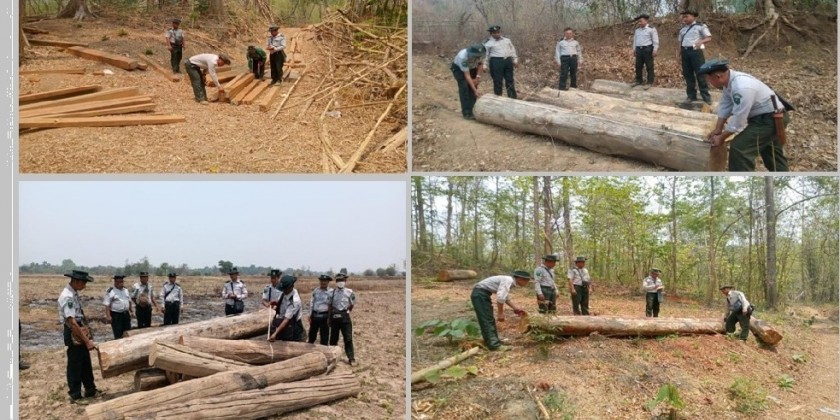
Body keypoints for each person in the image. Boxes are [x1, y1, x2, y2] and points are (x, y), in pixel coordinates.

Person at [699, 59, 792, 172]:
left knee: (740, 148)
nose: (709, 83)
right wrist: (718, 129)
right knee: (771, 152)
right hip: (764, 117)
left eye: (709, 80)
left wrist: (722, 138)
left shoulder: (741, 87)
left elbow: (739, 118)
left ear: (718, 76)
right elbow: (725, 105)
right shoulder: (729, 82)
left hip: (770, 120)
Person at [58, 270, 99, 402]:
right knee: (75, 363)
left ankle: (90, 388)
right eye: (84, 283)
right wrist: (87, 341)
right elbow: (72, 322)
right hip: (73, 331)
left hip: (79, 328)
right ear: (76, 281)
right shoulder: (67, 296)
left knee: (85, 362)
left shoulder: (73, 293)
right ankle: (75, 393)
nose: (85, 286)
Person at [471, 271, 531, 351]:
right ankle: (494, 345)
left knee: (489, 319)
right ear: (520, 279)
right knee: (486, 320)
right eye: (527, 281)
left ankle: (493, 341)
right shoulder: (508, 280)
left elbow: (505, 297)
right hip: (480, 294)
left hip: (482, 294)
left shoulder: (509, 281)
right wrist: (500, 313)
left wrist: (515, 308)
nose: (527, 283)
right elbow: (501, 298)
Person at [676, 10, 712, 104]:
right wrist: (678, 55)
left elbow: (709, 37)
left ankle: (706, 96)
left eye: (686, 16)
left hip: (696, 52)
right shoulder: (682, 29)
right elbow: (680, 43)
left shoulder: (700, 26)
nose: (684, 18)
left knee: (701, 73)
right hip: (685, 52)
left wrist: (701, 42)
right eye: (684, 17)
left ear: (693, 17)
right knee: (688, 75)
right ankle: (691, 96)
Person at [450, 44, 486, 120]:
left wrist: (477, 78)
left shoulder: (481, 53)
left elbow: (480, 65)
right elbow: (467, 75)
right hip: (459, 70)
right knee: (465, 88)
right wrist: (475, 90)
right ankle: (467, 113)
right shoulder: (462, 57)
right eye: (476, 56)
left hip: (472, 68)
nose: (478, 57)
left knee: (473, 88)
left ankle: (473, 110)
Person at [483, 25, 518, 99]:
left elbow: (512, 50)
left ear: (500, 32)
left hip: (508, 61)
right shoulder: (488, 43)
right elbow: (485, 55)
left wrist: (515, 59)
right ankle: (498, 99)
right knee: (497, 81)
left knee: (510, 80)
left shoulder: (507, 40)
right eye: (494, 33)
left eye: (498, 32)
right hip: (496, 62)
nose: (497, 34)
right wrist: (484, 64)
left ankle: (512, 98)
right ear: (491, 34)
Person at [329, 271, 356, 364]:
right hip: (335, 318)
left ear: (345, 281)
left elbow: (352, 304)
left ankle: (351, 358)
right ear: (336, 281)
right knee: (333, 338)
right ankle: (332, 357)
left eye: (342, 280)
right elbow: (330, 306)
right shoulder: (332, 292)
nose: (340, 282)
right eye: (339, 280)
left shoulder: (350, 292)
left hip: (345, 317)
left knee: (348, 338)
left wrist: (346, 312)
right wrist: (329, 318)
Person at [269, 274, 306, 342]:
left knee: (291, 347)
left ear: (290, 287)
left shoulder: (294, 301)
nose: (283, 291)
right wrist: (276, 303)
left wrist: (275, 333)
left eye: (284, 289)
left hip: (292, 326)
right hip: (283, 322)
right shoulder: (285, 293)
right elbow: (283, 303)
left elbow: (286, 320)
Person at [631, 14, 659, 88]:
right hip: (639, 49)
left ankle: (649, 82)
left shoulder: (651, 29)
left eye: (641, 21)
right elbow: (635, 40)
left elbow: (655, 40)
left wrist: (655, 50)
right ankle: (638, 80)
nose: (639, 23)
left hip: (648, 49)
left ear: (646, 21)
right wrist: (634, 49)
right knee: (638, 66)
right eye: (638, 22)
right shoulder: (637, 30)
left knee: (649, 66)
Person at [308, 274, 334, 345]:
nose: (323, 282)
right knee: (312, 335)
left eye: (325, 281)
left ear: (328, 282)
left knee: (324, 337)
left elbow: (331, 305)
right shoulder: (316, 290)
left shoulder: (331, 292)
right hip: (315, 315)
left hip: (325, 316)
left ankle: (324, 352)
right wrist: (310, 314)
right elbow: (312, 302)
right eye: (322, 281)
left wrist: (330, 317)